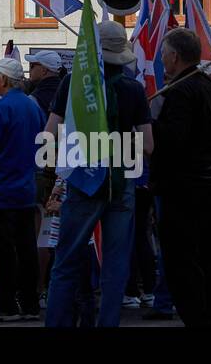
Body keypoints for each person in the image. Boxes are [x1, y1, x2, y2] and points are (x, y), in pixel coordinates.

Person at [43, 20, 153, 328]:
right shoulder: (134, 88)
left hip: (83, 181)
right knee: (115, 267)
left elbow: (49, 134)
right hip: (122, 183)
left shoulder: (73, 83)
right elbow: (149, 145)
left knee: (66, 262)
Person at [149, 26, 211, 327]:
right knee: (206, 259)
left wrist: (148, 125)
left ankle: (198, 320)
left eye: (164, 54)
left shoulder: (181, 91)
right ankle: (210, 318)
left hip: (185, 189)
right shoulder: (210, 86)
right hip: (210, 186)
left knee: (184, 264)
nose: (162, 59)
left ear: (175, 56)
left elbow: (173, 141)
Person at [0, 57, 45, 322]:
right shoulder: (33, 106)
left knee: (3, 250)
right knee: (27, 246)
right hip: (26, 188)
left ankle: (7, 305)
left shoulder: (1, 108)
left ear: (4, 79)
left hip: (0, 189)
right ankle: (30, 303)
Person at [25, 51, 64, 118]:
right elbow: (63, 126)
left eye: (32, 66)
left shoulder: (34, 100)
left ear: (44, 70)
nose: (30, 70)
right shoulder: (66, 92)